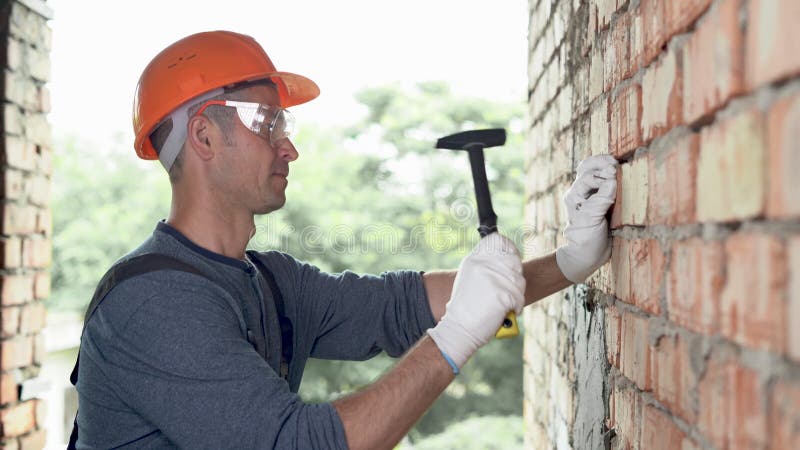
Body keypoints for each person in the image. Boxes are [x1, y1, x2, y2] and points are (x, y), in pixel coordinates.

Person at [72, 30, 618, 449]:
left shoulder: (269, 281)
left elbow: (401, 305)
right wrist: (454, 338)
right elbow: (299, 444)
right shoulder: (154, 305)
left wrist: (570, 261)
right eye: (268, 123)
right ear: (205, 135)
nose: (289, 147)